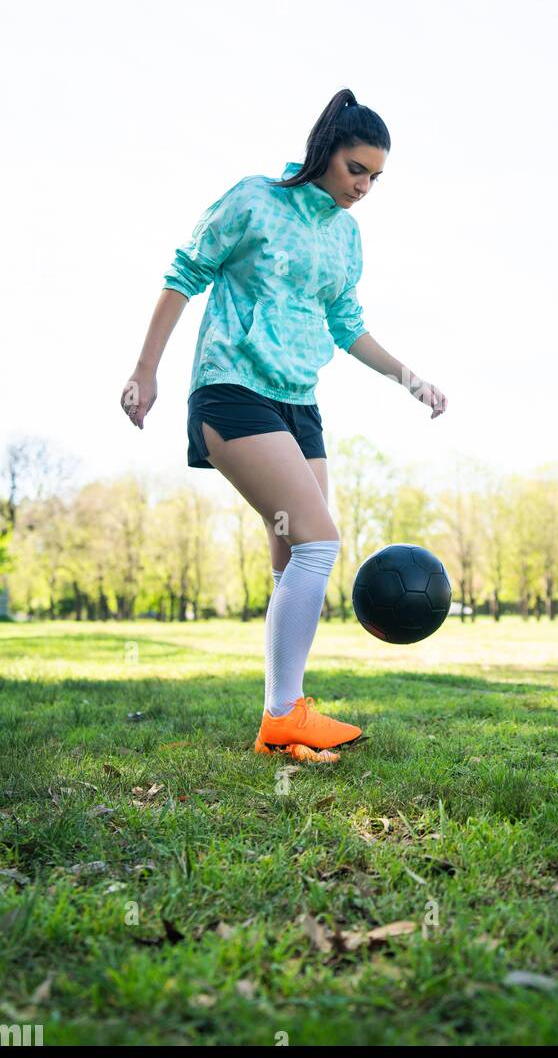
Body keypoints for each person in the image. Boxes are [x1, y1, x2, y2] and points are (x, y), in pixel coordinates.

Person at [120, 88, 448, 761]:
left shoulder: (346, 237)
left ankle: (281, 724)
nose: (364, 186)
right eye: (357, 169)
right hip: (232, 391)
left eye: (375, 177)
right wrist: (145, 371)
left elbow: (346, 325)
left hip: (299, 406)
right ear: (325, 152)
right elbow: (185, 272)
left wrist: (410, 379)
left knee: (291, 557)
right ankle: (283, 714)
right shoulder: (253, 200)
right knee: (319, 543)